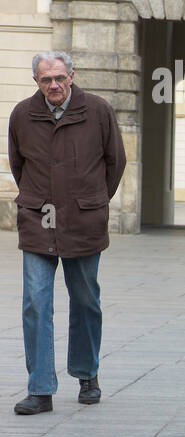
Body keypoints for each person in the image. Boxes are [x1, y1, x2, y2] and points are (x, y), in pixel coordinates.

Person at [9, 52, 125, 415]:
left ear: (72, 76)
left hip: (83, 221)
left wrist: (92, 200)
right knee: (35, 303)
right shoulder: (22, 116)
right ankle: (40, 388)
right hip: (37, 220)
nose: (54, 85)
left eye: (60, 77)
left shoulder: (99, 111)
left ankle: (86, 374)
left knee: (86, 300)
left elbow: (115, 162)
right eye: (46, 80)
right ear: (36, 82)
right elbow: (18, 165)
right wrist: (37, 198)